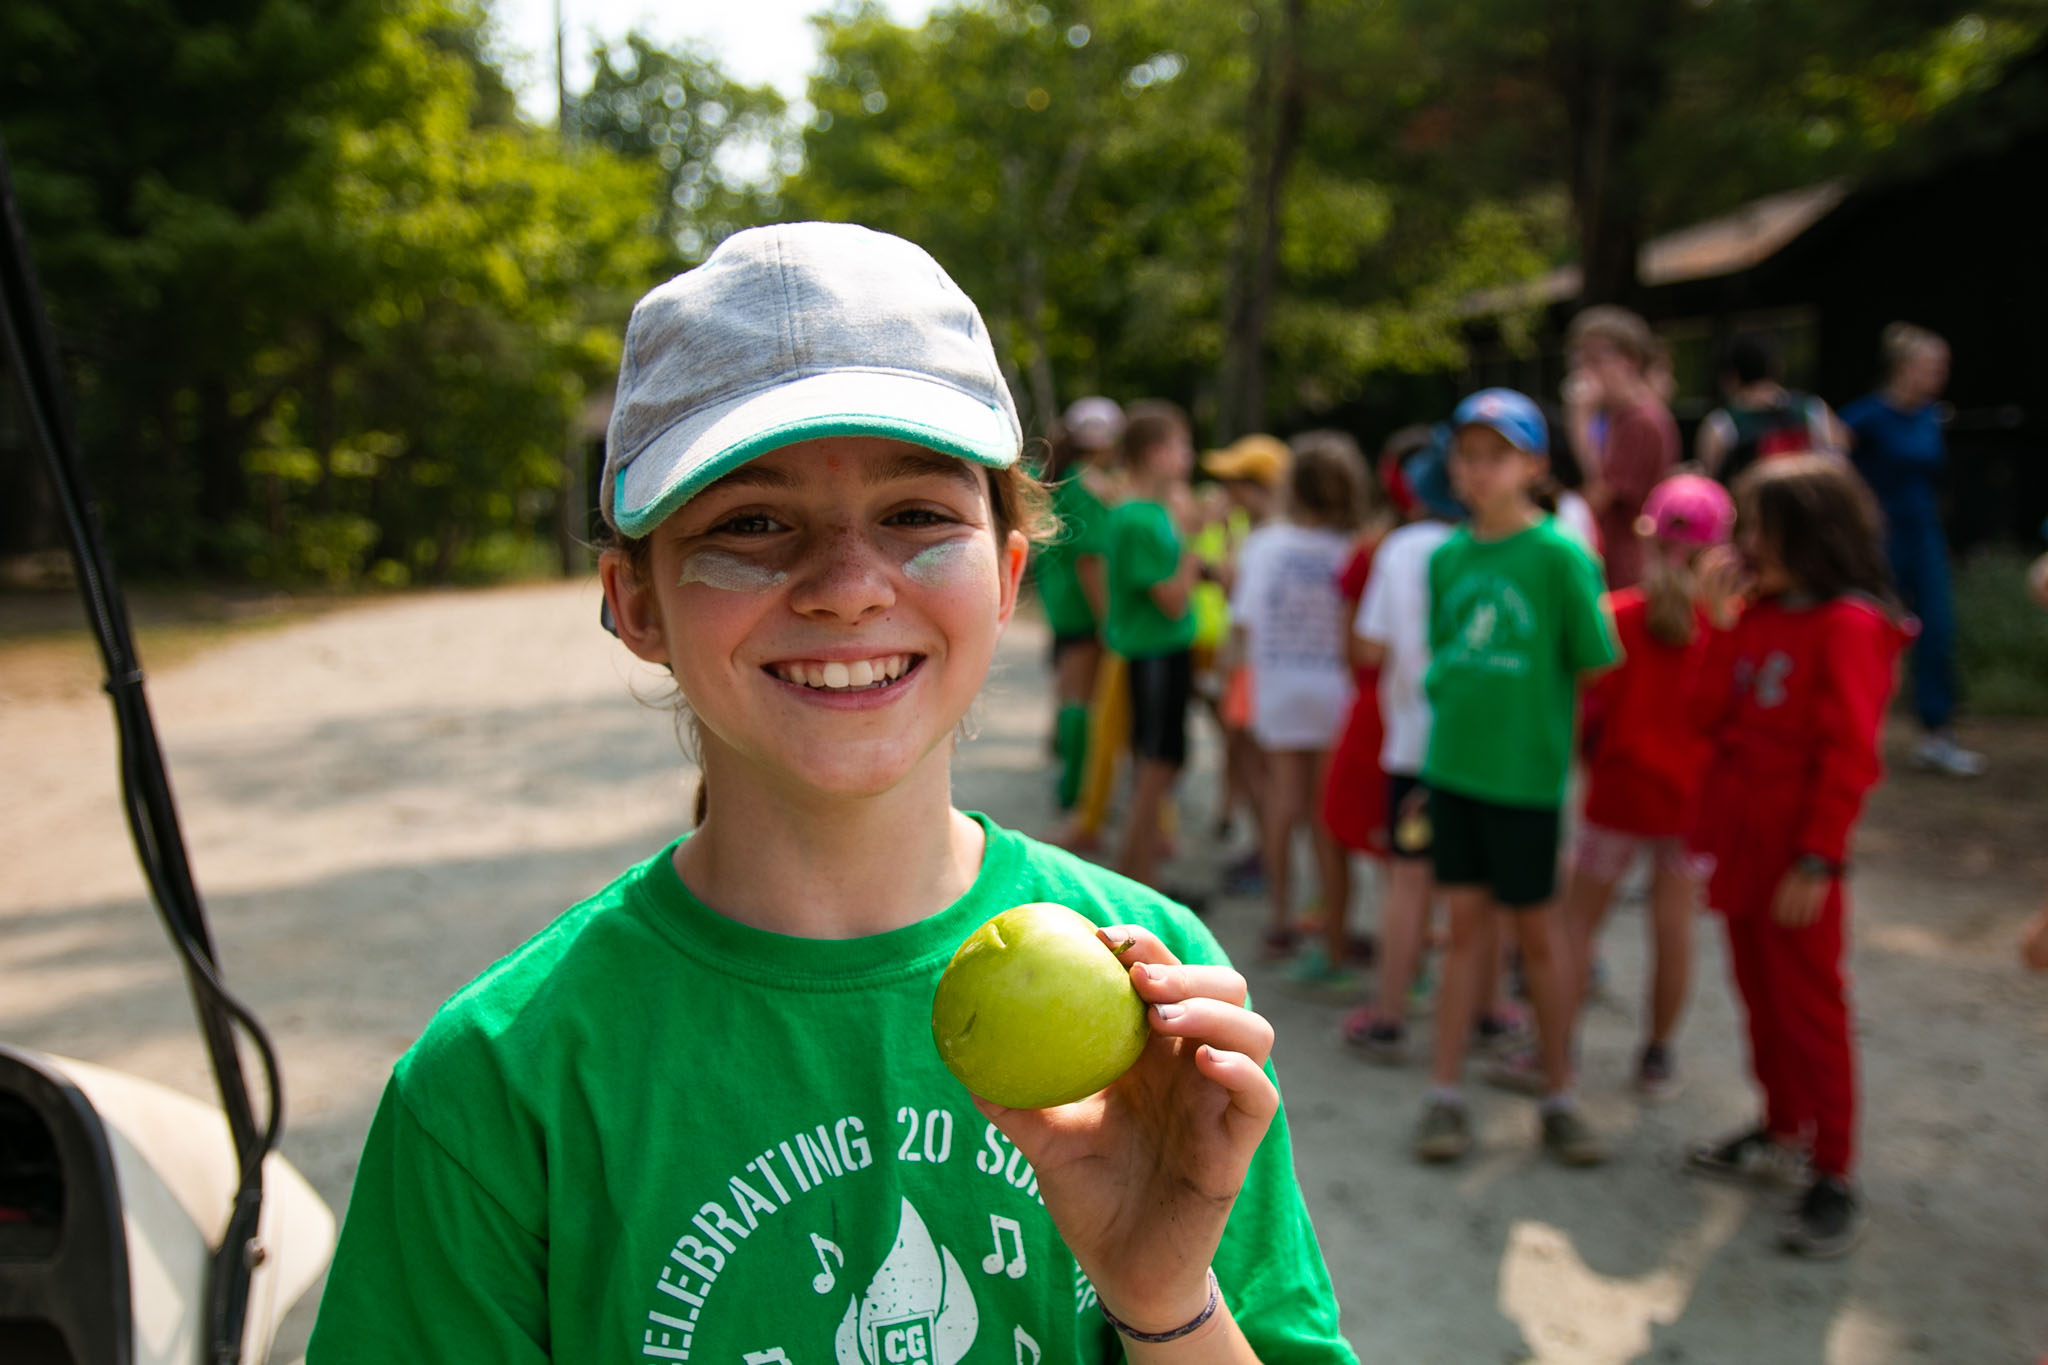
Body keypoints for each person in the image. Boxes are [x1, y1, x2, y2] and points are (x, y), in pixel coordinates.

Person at [305, 223, 1353, 1363]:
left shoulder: (1162, 999)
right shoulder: (502, 1082)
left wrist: (1166, 1299)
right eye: (752, 524)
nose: (848, 588)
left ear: (1007, 574)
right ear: (637, 601)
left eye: (916, 516)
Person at [1684, 454, 1914, 1259]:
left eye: (1763, 528)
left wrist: (1818, 860)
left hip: (1798, 856)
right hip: (1744, 842)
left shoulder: (1849, 624)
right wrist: (1716, 623)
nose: (1747, 545)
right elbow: (1704, 715)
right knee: (1757, 991)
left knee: (1812, 1006)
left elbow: (1849, 756)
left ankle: (1835, 1170)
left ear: (1813, 534)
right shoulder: (1755, 614)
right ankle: (1782, 1127)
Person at [1409, 389, 1617, 1167]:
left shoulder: (1562, 556)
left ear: (1534, 465)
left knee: (1539, 939)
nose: (1478, 469)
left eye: (1497, 454)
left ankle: (1561, 1096)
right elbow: (1445, 657)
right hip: (1454, 773)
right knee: (1464, 934)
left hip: (1527, 783)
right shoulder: (1446, 557)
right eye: (1467, 454)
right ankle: (1444, 1095)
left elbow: (1594, 664)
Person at [1557, 474, 1735, 1102]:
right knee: (1674, 928)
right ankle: (1657, 1056)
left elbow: (1586, 708)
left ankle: (1558, 1051)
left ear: (1647, 536)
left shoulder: (1615, 616)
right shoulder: (1728, 626)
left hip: (1617, 793)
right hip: (1690, 803)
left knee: (1577, 925)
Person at [1227, 431, 1371, 977]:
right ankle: (1329, 917)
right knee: (1325, 812)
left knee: (1283, 803)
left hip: (1280, 684)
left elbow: (1244, 621)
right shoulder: (1356, 546)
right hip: (1338, 691)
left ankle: (1281, 916)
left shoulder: (1266, 544)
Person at [1338, 432, 1460, 1062]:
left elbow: (1369, 646)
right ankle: (1487, 1012)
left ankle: (1389, 1013)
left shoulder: (1403, 548)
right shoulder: (1496, 545)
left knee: (1408, 880)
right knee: (1480, 893)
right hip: (1485, 753)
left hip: (1414, 745)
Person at [1841, 322, 1984, 777]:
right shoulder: (1864, 417)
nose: (1940, 374)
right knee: (1870, 634)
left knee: (1936, 630)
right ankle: (1856, 729)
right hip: (1880, 541)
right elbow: (1834, 467)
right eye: (1932, 365)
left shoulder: (1932, 416)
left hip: (1925, 538)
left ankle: (1937, 734)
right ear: (1903, 368)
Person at [1104, 400, 1205, 894]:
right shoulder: (1140, 518)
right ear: (1154, 453)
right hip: (1154, 654)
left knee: (1160, 767)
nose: (1188, 455)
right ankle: (1136, 881)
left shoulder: (1152, 513)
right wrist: (1193, 546)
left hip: (1163, 654)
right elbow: (1171, 599)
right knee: (1152, 769)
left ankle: (1144, 876)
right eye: (1180, 445)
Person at [1199, 435, 1291, 893]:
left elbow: (1240, 606)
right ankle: (1265, 854)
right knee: (1257, 770)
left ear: (1260, 487)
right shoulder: (1273, 534)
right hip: (1263, 670)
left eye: (1237, 482)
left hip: (1252, 671)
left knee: (1259, 773)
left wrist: (1224, 671)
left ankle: (1269, 863)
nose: (1228, 491)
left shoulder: (1263, 539)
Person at [1038, 397, 1125, 810]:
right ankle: (1076, 789)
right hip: (1084, 607)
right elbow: (1091, 560)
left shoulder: (1064, 479)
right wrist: (1109, 619)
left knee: (1070, 692)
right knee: (1083, 698)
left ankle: (1071, 783)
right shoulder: (1086, 485)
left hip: (1062, 602)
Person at [1564, 306, 1679, 591]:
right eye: (1578, 359)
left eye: (1595, 358)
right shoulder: (1619, 417)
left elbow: (1599, 495)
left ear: (1630, 360)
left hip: (1628, 571)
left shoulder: (1640, 421)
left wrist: (1579, 420)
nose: (1583, 371)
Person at [1696, 334, 1846, 485]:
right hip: (1810, 497)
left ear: (1730, 376)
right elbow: (1840, 461)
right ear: (1776, 367)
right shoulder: (1813, 408)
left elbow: (1711, 482)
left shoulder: (1721, 423)